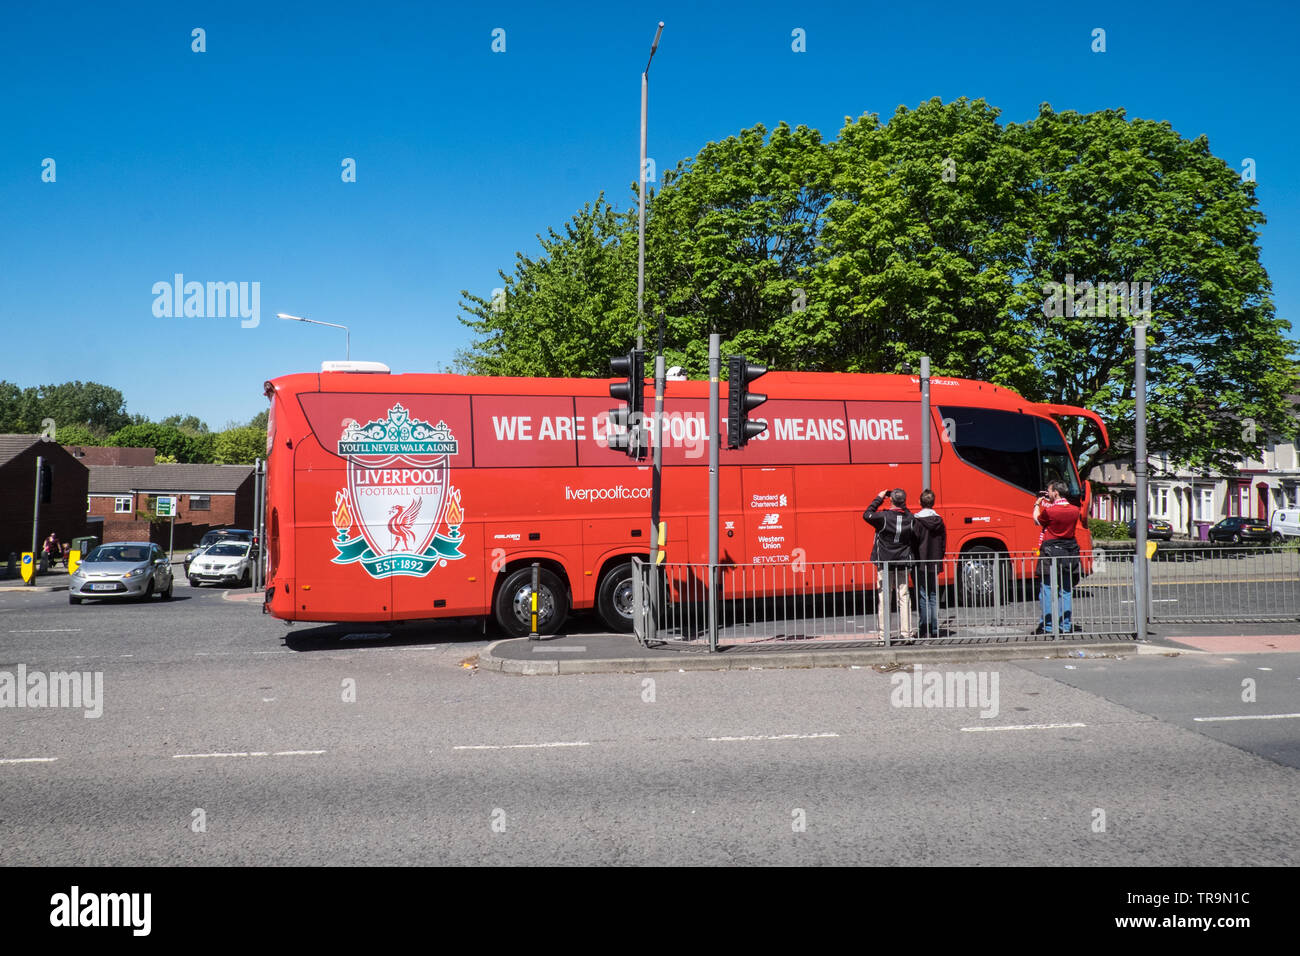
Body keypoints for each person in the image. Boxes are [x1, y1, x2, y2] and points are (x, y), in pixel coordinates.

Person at [863, 488, 917, 642]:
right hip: (902, 561)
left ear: (891, 500)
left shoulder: (883, 517)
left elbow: (867, 514)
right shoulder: (910, 518)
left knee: (885, 598)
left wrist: (879, 498)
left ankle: (884, 635)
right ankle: (906, 634)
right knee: (904, 596)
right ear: (904, 502)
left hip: (885, 561)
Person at [1034, 480, 1082, 634]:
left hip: (1050, 552)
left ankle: (1048, 626)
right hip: (1069, 551)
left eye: (1049, 491)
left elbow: (1037, 520)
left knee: (1047, 589)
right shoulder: (1075, 510)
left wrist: (1037, 505)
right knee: (1066, 589)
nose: (1047, 493)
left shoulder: (1050, 511)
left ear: (1056, 492)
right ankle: (1065, 626)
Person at [912, 489, 947, 640]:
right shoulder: (940, 521)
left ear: (920, 502)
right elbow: (943, 543)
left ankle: (923, 628)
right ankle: (934, 629)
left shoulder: (917, 521)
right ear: (933, 503)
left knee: (922, 595)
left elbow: (914, 542)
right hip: (935, 561)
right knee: (933, 595)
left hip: (920, 561)